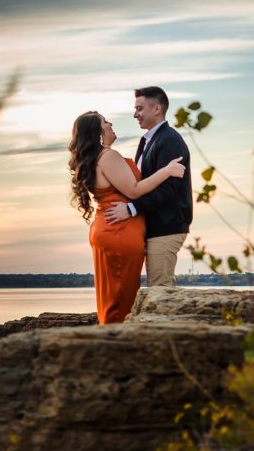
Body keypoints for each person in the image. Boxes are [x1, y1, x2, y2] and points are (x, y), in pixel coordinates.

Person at [68, 111, 185, 324]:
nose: (110, 123)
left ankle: (111, 340)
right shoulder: (107, 156)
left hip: (109, 228)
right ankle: (117, 345)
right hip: (119, 232)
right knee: (122, 300)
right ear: (97, 131)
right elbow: (134, 190)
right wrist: (167, 171)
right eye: (105, 122)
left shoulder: (94, 159)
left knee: (114, 297)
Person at [103, 86, 193, 287]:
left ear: (157, 108)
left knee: (159, 288)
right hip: (155, 227)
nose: (135, 114)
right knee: (161, 286)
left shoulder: (170, 140)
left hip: (166, 227)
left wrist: (131, 209)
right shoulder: (149, 141)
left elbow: (168, 190)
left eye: (140, 108)